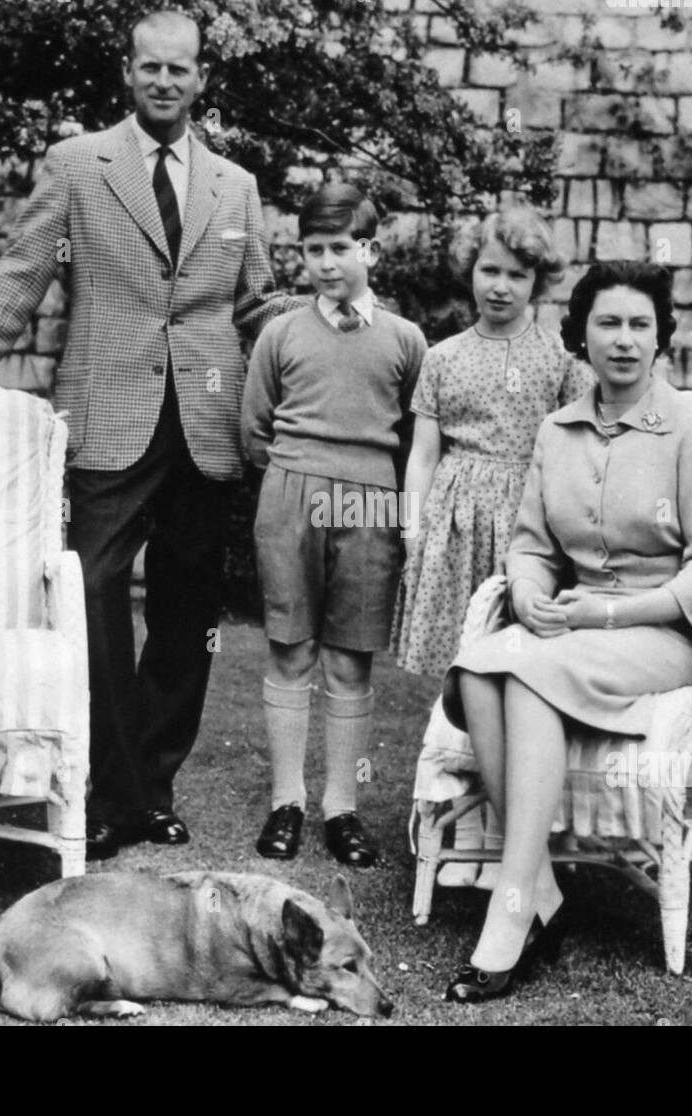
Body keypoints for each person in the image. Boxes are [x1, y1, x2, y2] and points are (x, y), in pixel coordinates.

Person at [0, 10, 300, 858]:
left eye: (181, 69)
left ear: (202, 78)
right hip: (106, 414)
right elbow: (21, 275)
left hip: (206, 417)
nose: (165, 81)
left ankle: (149, 790)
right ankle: (109, 790)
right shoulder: (76, 166)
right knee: (91, 595)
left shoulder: (235, 186)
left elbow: (255, 303)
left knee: (186, 610)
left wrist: (326, 325)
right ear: (127, 74)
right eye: (150, 68)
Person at [439, 261, 692, 1002]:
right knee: (480, 666)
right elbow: (531, 544)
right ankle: (540, 886)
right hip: (572, 628)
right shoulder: (558, 430)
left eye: (641, 325)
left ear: (662, 337)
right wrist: (534, 593)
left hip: (659, 633)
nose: (625, 340)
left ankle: (510, 916)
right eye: (609, 323)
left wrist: (607, 612)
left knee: (532, 674)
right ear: (582, 335)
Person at [392, 207, 590, 887]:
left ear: (538, 281)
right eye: (489, 271)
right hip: (455, 522)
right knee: (460, 676)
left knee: (514, 673)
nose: (500, 286)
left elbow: (577, 450)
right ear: (469, 273)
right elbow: (421, 455)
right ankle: (456, 824)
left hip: (526, 529)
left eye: (516, 274)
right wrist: (412, 527)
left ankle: (514, 831)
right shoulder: (442, 357)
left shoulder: (560, 364)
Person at [241, 183, 426, 867]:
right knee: (291, 648)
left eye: (340, 248)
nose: (325, 262)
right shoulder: (282, 331)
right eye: (313, 249)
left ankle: (341, 806)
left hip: (372, 500)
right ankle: (286, 800)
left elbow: (417, 436)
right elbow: (254, 428)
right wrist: (299, 476)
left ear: (369, 250)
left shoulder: (405, 339)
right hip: (291, 490)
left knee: (349, 656)